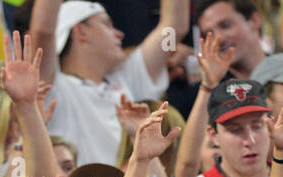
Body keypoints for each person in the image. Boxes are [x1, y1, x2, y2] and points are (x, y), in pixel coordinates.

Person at [30, 0, 182, 167]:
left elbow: (174, 28)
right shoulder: (53, 89)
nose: (119, 34)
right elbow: (42, 31)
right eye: (107, 25)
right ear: (81, 32)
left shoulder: (125, 78)